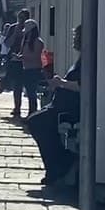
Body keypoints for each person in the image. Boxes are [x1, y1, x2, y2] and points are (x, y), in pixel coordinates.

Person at [26, 25, 82, 185]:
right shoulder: (81, 59)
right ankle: (56, 164)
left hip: (69, 109)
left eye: (76, 36)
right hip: (60, 105)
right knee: (36, 121)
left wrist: (61, 83)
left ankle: (60, 163)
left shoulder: (87, 60)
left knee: (37, 122)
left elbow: (82, 85)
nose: (73, 39)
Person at [14, 19, 44, 117]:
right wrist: (19, 56)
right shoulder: (26, 41)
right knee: (28, 91)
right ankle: (30, 112)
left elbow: (36, 56)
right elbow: (23, 53)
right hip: (26, 68)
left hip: (34, 69)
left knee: (32, 92)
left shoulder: (38, 42)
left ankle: (33, 112)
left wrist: (23, 57)